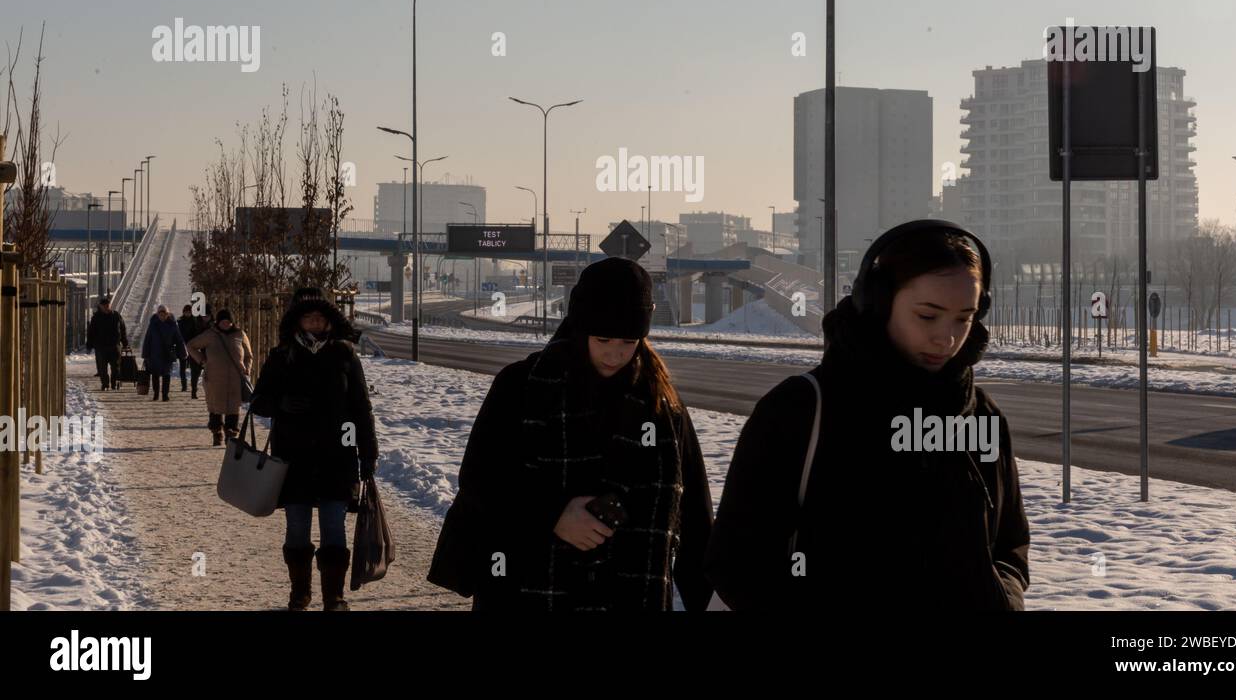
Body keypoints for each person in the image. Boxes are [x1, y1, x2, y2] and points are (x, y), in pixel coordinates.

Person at [705, 219, 1029, 611]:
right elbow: (737, 563)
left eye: (964, 318)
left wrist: (1001, 598)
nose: (947, 338)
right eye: (927, 316)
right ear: (878, 302)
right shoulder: (801, 410)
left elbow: (1010, 546)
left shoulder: (981, 419)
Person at [427, 257, 714, 611]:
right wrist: (552, 517)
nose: (615, 352)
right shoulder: (522, 387)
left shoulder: (663, 406)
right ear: (580, 328)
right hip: (526, 594)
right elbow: (481, 482)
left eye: (629, 340)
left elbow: (696, 517)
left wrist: (707, 597)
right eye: (603, 337)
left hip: (627, 597)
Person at [250, 294, 378, 612]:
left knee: (334, 526)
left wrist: (368, 451)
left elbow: (362, 406)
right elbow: (259, 401)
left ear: (330, 322)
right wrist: (280, 403)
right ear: (298, 322)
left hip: (338, 457)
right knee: (297, 526)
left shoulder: (344, 354)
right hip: (294, 460)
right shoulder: (282, 355)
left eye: (321, 319)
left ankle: (334, 597)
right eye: (309, 318)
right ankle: (300, 594)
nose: (316, 323)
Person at [187, 309, 253, 447]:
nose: (226, 324)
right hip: (214, 378)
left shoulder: (240, 334)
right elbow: (191, 346)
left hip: (235, 379)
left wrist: (247, 368)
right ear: (218, 322)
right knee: (215, 407)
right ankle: (217, 433)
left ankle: (231, 435)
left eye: (228, 322)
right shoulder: (210, 335)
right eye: (223, 321)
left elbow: (248, 355)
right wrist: (202, 360)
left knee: (233, 408)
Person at [141, 305, 188, 401]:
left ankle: (165, 395)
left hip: (167, 353)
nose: (162, 316)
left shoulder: (172, 325)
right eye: (160, 314)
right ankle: (156, 393)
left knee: (167, 375)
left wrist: (183, 352)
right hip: (154, 354)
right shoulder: (153, 324)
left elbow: (179, 339)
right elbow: (147, 339)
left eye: (164, 314)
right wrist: (145, 354)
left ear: (167, 314)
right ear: (157, 314)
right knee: (155, 375)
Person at [86, 295, 129, 391]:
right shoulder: (96, 317)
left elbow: (122, 330)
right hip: (101, 347)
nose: (106, 307)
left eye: (107, 305)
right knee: (102, 368)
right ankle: (105, 384)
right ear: (100, 306)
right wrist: (89, 344)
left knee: (115, 367)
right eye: (104, 305)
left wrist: (125, 343)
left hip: (114, 346)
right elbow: (91, 332)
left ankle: (114, 383)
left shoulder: (116, 315)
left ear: (110, 305)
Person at [176, 303, 204, 397]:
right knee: (182, 367)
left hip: (192, 347)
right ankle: (184, 385)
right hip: (182, 347)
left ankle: (193, 388)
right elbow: (178, 334)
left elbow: (197, 333)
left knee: (194, 369)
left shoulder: (195, 321)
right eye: (186, 312)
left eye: (189, 312)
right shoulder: (180, 321)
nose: (187, 313)